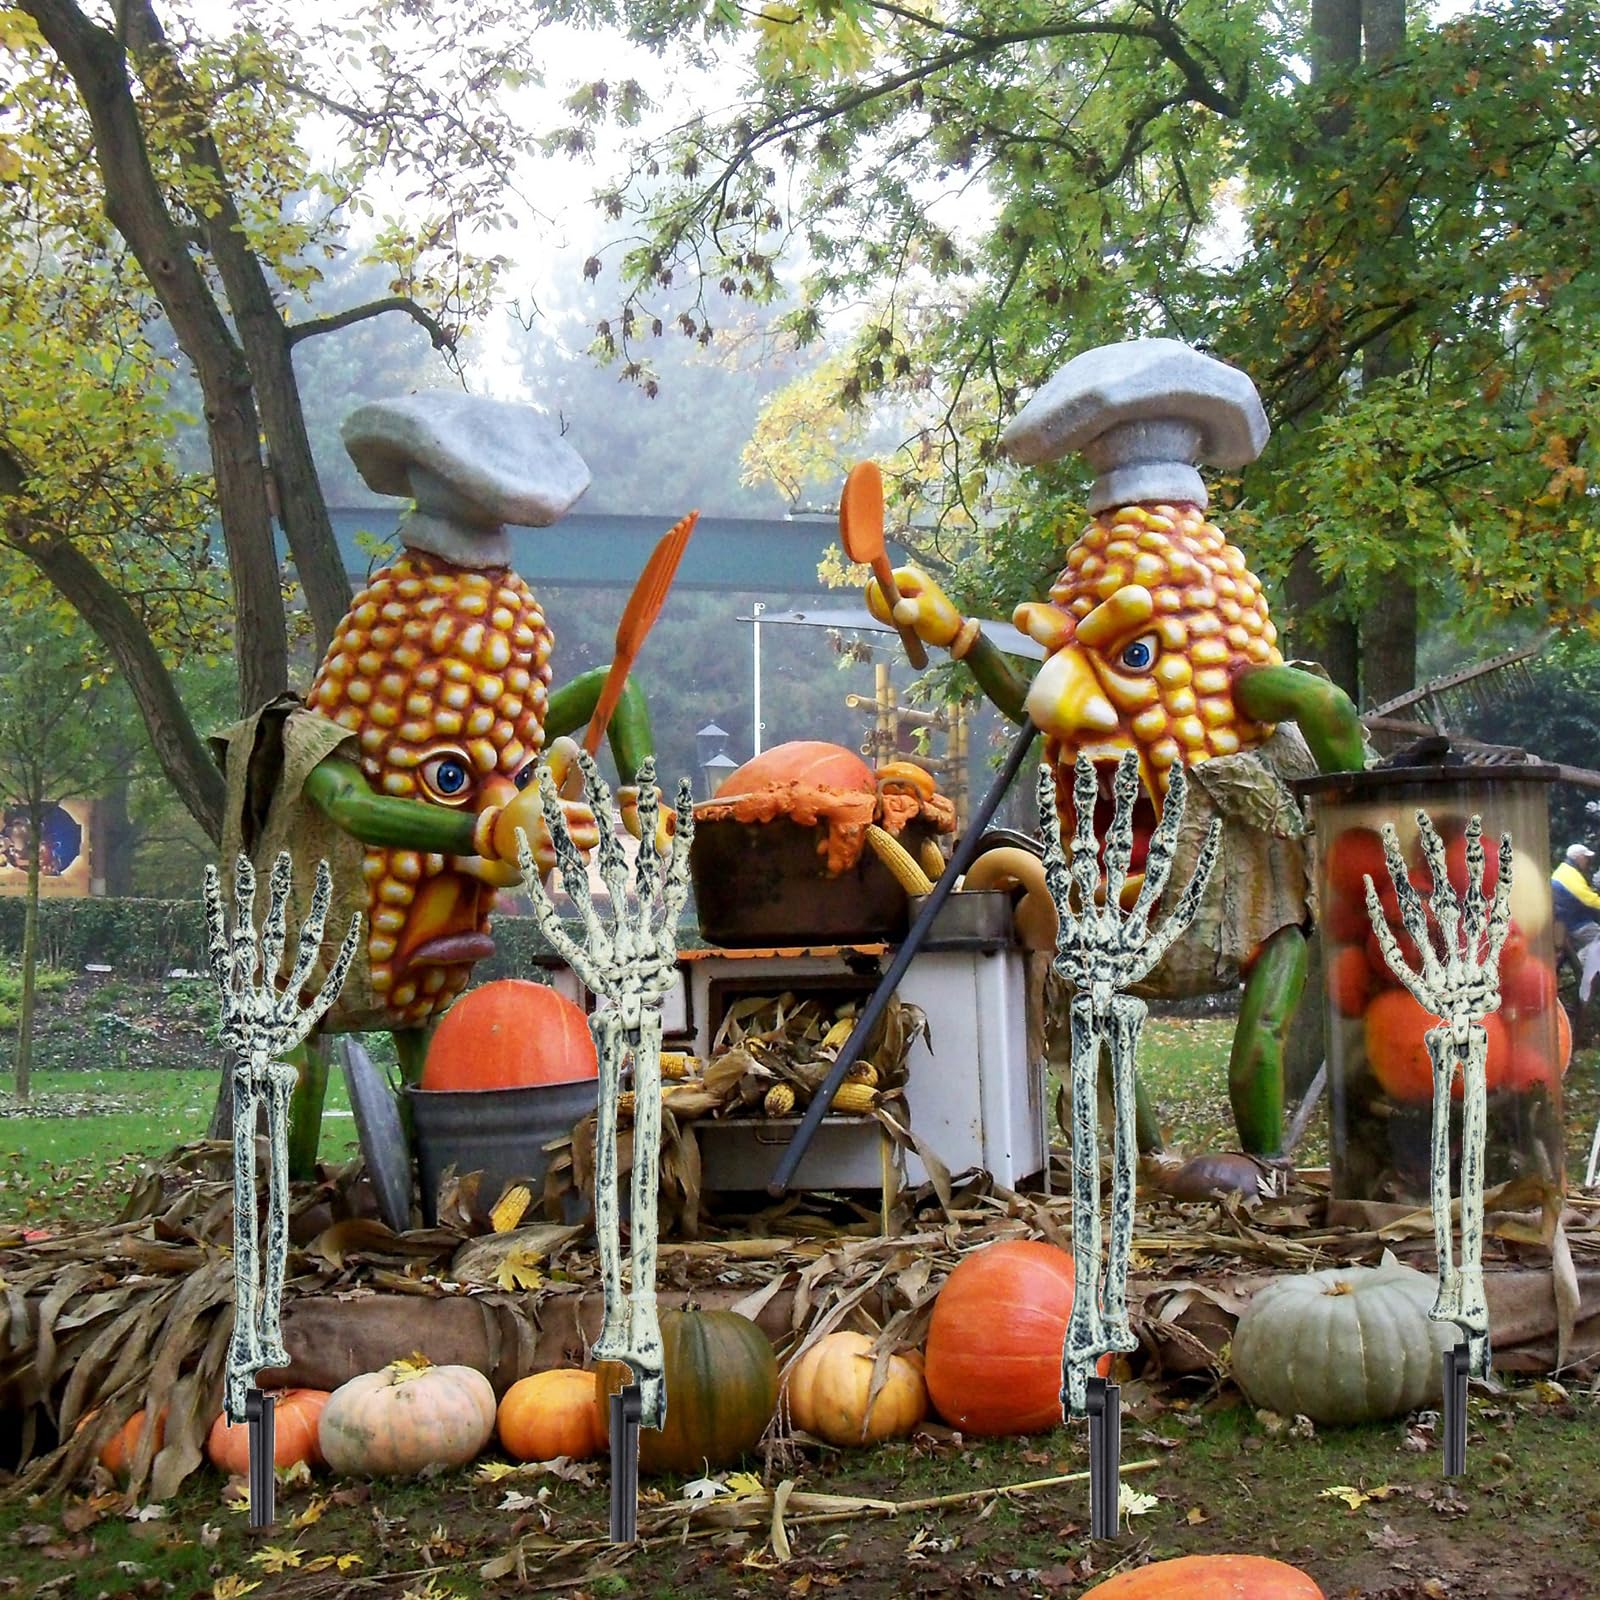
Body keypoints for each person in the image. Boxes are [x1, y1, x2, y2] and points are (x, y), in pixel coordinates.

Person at [1551, 843, 1600, 954]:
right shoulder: (1569, 875)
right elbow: (1590, 900)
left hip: (1570, 919)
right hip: (1577, 923)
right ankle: (1583, 959)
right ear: (1579, 858)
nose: (1588, 861)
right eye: (1586, 858)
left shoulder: (1564, 870)